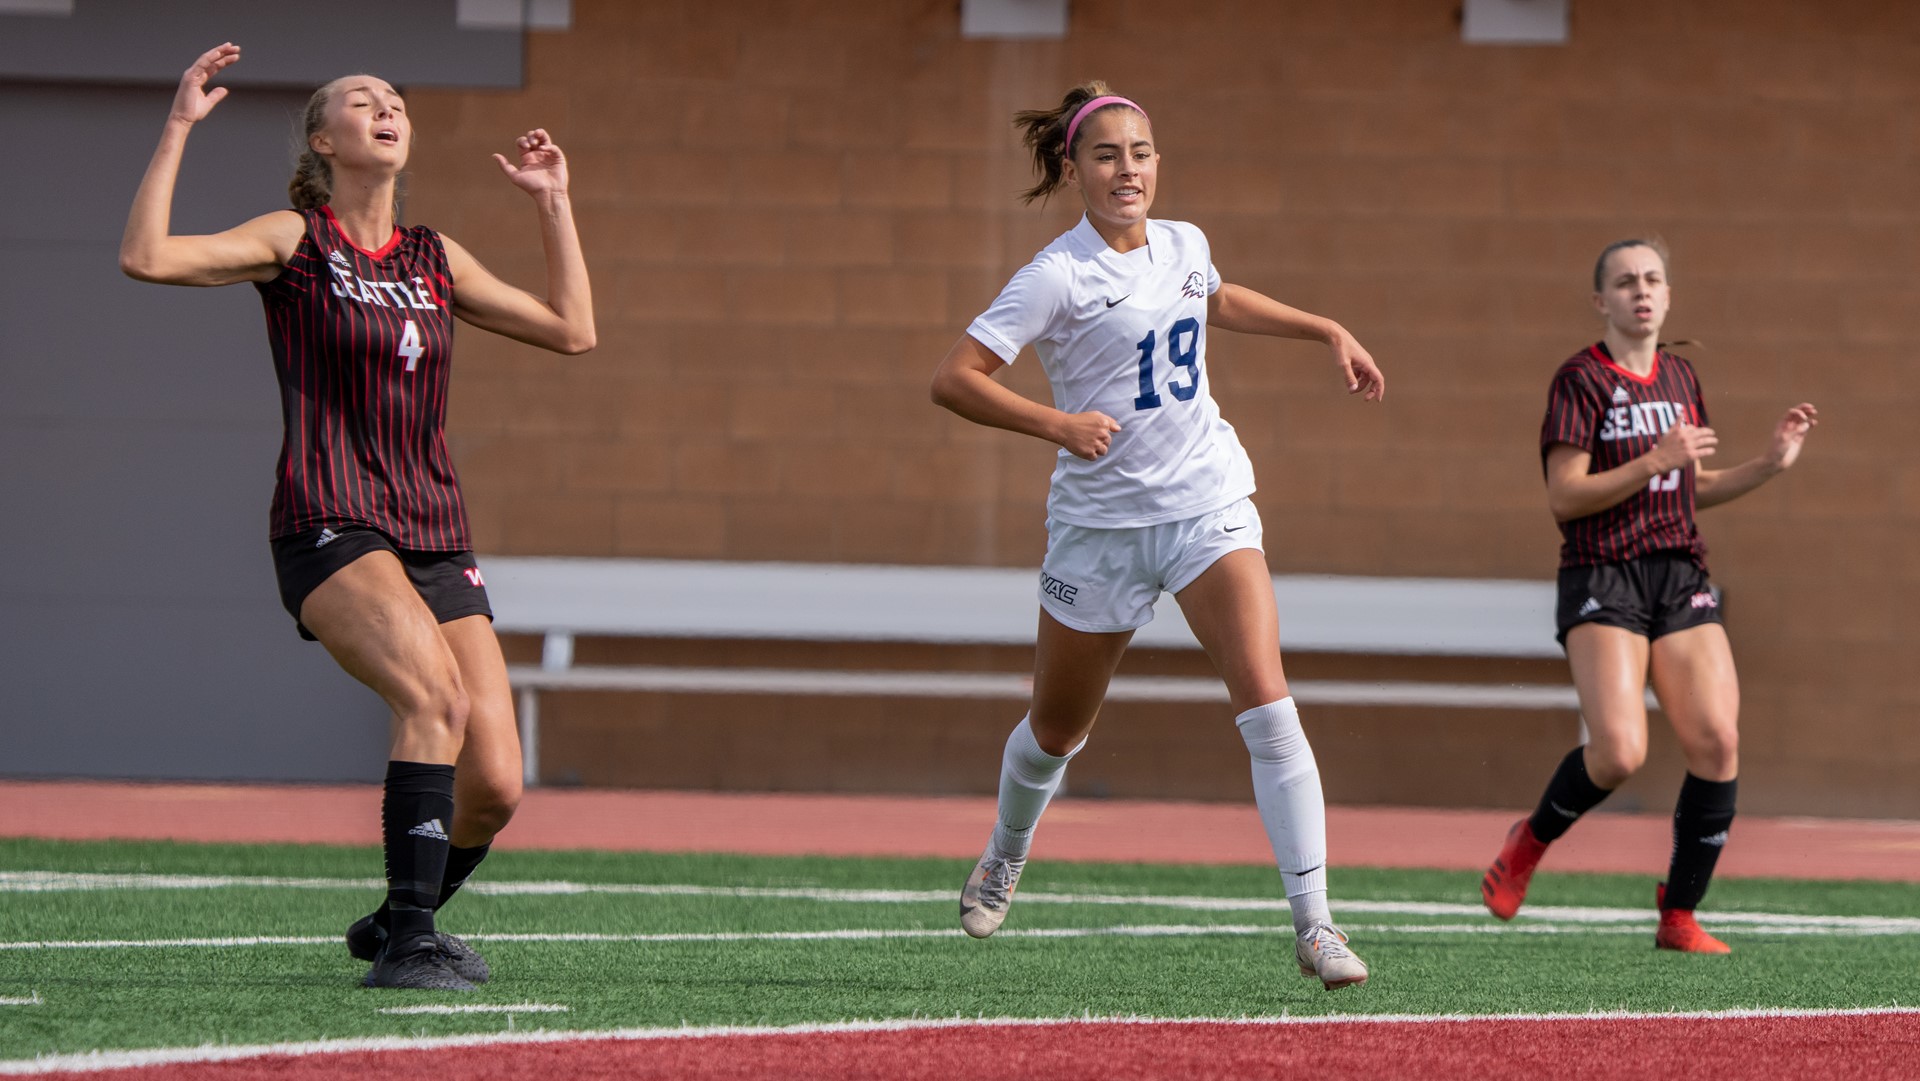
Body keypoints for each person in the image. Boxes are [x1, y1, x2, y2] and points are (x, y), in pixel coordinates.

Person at [120, 44, 595, 990]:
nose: (385, 107)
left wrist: (552, 202)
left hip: (433, 527)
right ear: (322, 139)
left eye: (394, 100)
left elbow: (572, 329)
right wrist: (176, 127)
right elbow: (147, 257)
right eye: (361, 100)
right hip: (328, 519)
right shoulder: (296, 240)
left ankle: (394, 918)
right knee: (434, 702)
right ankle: (412, 941)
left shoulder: (433, 257)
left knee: (496, 782)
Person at [930, 83, 1386, 990]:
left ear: (1156, 162)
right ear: (1075, 170)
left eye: (1139, 152)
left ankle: (1317, 923)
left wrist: (1323, 326)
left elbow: (1213, 301)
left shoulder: (1186, 243)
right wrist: (1056, 426)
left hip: (1205, 505)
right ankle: (1005, 850)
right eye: (1106, 155)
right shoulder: (1056, 273)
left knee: (1268, 700)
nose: (1126, 168)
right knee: (1057, 732)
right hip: (1099, 530)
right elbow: (956, 378)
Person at [1480, 239, 1816, 953]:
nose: (1642, 290)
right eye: (1626, 281)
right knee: (1620, 751)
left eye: (1653, 279)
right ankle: (1528, 842)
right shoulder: (1580, 380)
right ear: (1601, 300)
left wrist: (1768, 465)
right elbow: (1565, 497)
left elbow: (1687, 487)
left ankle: (1680, 912)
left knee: (1718, 738)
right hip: (1603, 573)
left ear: (1667, 297)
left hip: (1678, 572)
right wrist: (1653, 458)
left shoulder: (1681, 377)